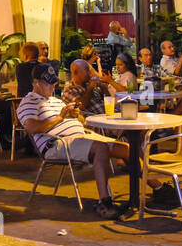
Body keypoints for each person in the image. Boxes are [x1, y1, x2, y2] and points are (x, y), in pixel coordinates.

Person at [17, 61, 130, 219]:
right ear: (36, 82)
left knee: (126, 148)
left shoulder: (56, 100)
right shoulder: (28, 102)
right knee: (100, 148)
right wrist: (60, 117)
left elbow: (81, 121)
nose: (53, 86)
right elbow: (32, 127)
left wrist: (76, 115)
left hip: (81, 136)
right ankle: (105, 202)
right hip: (57, 144)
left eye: (54, 82)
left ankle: (157, 189)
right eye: (49, 83)